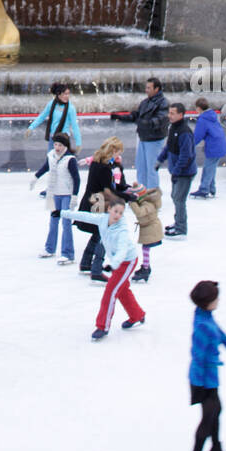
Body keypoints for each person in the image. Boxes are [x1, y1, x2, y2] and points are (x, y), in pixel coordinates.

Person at [63, 199, 145, 340]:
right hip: (116, 261)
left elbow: (122, 249)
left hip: (127, 260)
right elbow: (85, 216)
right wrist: (63, 213)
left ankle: (102, 326)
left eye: (120, 212)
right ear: (109, 210)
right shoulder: (103, 219)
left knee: (111, 291)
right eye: (115, 211)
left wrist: (114, 264)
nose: (117, 215)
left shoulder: (122, 229)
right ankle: (137, 315)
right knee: (122, 290)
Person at [188, 280, 226, 451]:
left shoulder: (206, 316)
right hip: (202, 380)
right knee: (209, 415)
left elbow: (221, 335)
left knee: (216, 411)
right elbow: (198, 356)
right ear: (207, 302)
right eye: (215, 298)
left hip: (210, 378)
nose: (218, 300)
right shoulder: (202, 326)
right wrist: (202, 384)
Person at [74, 135, 131, 278]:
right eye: (118, 152)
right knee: (104, 236)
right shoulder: (104, 167)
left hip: (93, 201)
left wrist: (125, 187)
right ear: (113, 150)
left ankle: (86, 263)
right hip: (98, 203)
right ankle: (96, 269)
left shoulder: (98, 163)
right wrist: (127, 196)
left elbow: (110, 185)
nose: (119, 156)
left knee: (98, 233)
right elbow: (109, 190)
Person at [111, 77, 169, 188]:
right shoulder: (145, 102)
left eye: (149, 87)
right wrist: (121, 117)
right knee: (141, 167)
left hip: (154, 140)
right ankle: (142, 191)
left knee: (151, 168)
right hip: (143, 138)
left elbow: (160, 120)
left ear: (156, 89)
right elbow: (136, 116)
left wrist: (143, 123)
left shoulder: (163, 103)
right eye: (146, 87)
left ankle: (152, 194)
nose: (146, 90)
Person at [31, 132, 80, 264]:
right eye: (55, 144)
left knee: (66, 223)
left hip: (67, 195)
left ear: (65, 146)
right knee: (53, 222)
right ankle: (50, 248)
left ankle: (68, 253)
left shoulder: (70, 159)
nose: (57, 147)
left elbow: (77, 178)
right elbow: (46, 167)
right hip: (54, 194)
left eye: (60, 145)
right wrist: (35, 177)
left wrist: (74, 195)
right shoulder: (51, 155)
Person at [156, 102, 196, 237]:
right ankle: (178, 222)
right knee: (175, 197)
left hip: (184, 173)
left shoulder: (184, 132)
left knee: (179, 199)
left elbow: (186, 155)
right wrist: (160, 160)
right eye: (169, 112)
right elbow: (169, 146)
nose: (170, 116)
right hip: (176, 171)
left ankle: (181, 228)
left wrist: (177, 172)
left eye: (172, 113)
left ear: (181, 114)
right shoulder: (173, 128)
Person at [190, 98, 226, 199]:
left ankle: (204, 189)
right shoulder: (212, 116)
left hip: (214, 146)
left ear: (198, 108)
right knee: (211, 168)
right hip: (220, 145)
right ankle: (211, 188)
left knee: (208, 168)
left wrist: (189, 145)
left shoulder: (203, 119)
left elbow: (198, 135)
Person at [126, 184, 163, 283]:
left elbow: (139, 212)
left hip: (151, 228)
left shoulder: (147, 204)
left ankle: (146, 268)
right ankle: (146, 266)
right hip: (148, 228)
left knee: (145, 248)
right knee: (145, 248)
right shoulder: (146, 202)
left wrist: (132, 202)